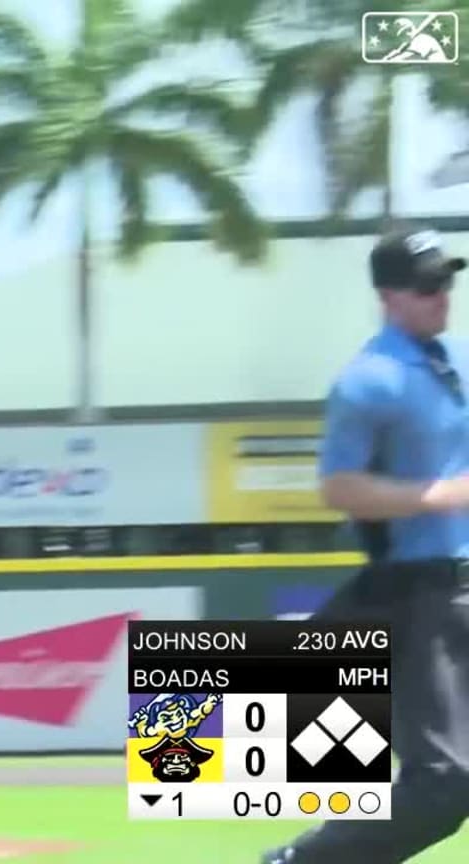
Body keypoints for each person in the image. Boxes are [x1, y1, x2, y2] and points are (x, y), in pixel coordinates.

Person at [264, 226, 469, 863]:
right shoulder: (369, 380)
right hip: (425, 590)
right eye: (426, 284)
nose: (442, 294)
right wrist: (443, 495)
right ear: (388, 295)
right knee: (444, 784)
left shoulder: (457, 359)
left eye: (447, 280)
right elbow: (339, 487)